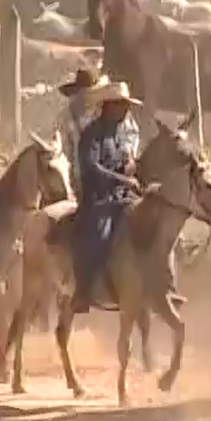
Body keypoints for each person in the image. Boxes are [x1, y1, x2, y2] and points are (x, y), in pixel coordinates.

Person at [72, 80, 144, 313]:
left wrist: (131, 168)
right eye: (122, 105)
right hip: (98, 199)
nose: (126, 110)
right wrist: (123, 179)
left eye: (127, 105)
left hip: (121, 196)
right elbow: (92, 168)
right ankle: (83, 291)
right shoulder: (92, 134)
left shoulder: (119, 134)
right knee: (100, 234)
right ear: (109, 106)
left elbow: (123, 162)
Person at [55, 66, 103, 177]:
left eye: (88, 93)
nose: (83, 97)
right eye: (80, 93)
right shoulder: (65, 117)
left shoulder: (100, 114)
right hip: (73, 173)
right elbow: (62, 147)